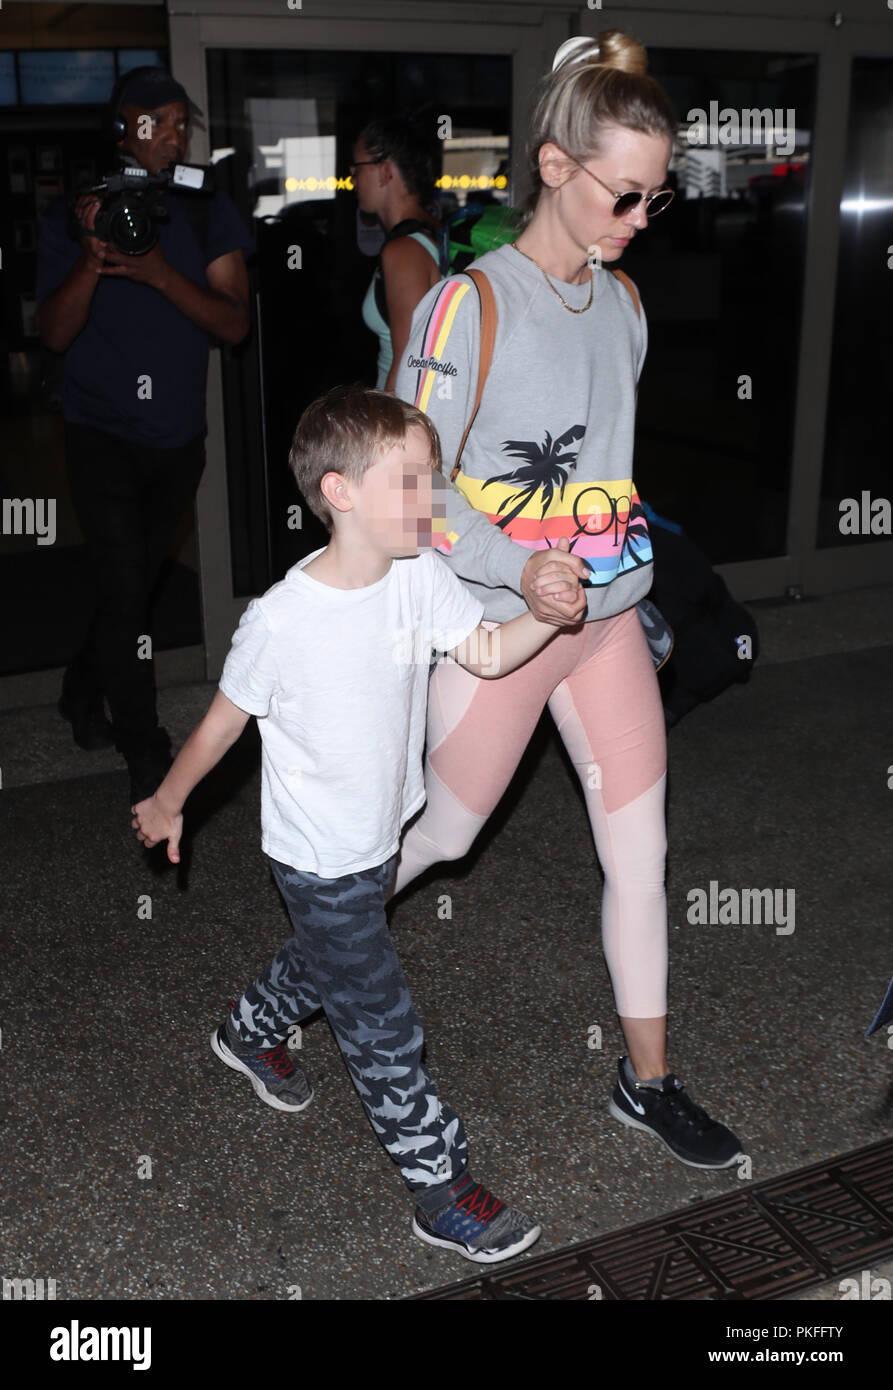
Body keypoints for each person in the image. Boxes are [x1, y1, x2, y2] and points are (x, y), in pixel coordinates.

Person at [393, 31, 745, 1169]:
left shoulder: (626, 304)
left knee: (637, 853)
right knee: (437, 837)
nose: (641, 218)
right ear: (553, 165)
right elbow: (413, 487)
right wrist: (514, 566)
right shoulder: (463, 307)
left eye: (656, 196)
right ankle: (291, 976)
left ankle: (646, 1079)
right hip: (500, 628)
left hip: (602, 627)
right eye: (624, 194)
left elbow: (602, 464)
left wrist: (605, 576)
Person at [130, 384, 569, 1263]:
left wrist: (543, 620)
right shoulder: (282, 621)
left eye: (434, 479)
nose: (435, 500)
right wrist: (169, 798)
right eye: (413, 481)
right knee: (379, 1020)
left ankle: (248, 1029)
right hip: (315, 857)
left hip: (379, 835)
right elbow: (223, 722)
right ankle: (437, 1188)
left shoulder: (419, 577)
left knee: (331, 956)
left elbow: (483, 651)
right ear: (339, 493)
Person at [36, 66, 254, 802]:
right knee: (128, 589)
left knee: (134, 581)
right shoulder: (78, 212)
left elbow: (233, 322)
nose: (169, 136)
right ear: (121, 128)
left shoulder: (201, 210)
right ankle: (145, 745)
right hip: (99, 429)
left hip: (175, 436)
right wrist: (95, 263)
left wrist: (159, 273)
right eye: (152, 123)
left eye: (176, 124)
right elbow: (55, 335)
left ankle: (77, 689)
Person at [353, 114, 441, 392]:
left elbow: (410, 369)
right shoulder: (433, 232)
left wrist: (384, 435)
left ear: (385, 171)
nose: (352, 179)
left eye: (357, 168)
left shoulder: (404, 251)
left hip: (400, 425)